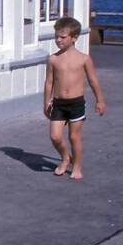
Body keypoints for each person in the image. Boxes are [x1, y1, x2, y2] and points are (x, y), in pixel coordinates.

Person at [43, 16, 106, 180]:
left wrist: (100, 100)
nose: (58, 40)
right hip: (59, 103)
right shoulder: (53, 59)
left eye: (62, 37)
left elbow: (93, 80)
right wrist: (46, 102)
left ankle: (76, 166)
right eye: (56, 36)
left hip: (76, 103)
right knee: (55, 136)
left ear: (74, 38)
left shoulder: (84, 59)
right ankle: (65, 157)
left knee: (73, 136)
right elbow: (49, 82)